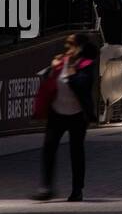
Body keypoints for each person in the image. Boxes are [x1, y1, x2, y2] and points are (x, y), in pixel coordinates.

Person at [34, 33, 98, 202]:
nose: (66, 47)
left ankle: (77, 190)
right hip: (57, 113)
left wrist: (69, 69)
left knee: (76, 152)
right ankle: (46, 188)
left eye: (70, 44)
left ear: (80, 47)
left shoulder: (86, 65)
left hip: (77, 116)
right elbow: (47, 83)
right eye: (66, 44)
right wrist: (52, 68)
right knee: (49, 148)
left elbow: (81, 85)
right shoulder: (61, 62)